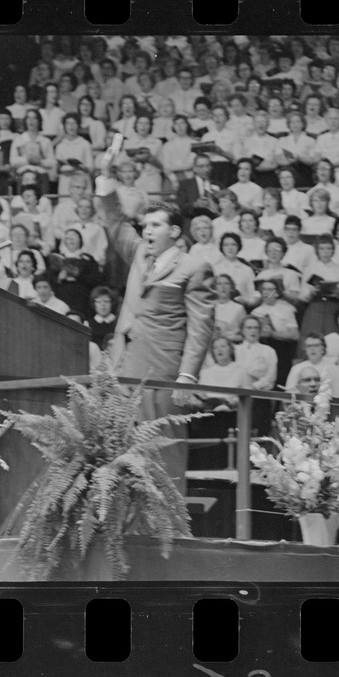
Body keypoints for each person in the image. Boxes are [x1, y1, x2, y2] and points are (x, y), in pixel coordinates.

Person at [96, 159, 217, 489]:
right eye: (145, 225)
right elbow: (114, 220)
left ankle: (173, 534)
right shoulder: (139, 254)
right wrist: (106, 178)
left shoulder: (194, 266)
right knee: (119, 455)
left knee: (164, 455)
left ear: (175, 232)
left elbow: (201, 328)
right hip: (123, 367)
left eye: (155, 225)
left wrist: (187, 376)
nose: (146, 231)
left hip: (162, 373)